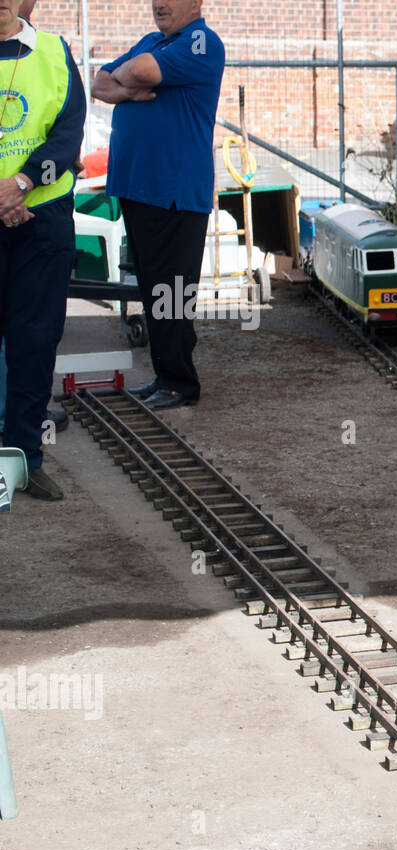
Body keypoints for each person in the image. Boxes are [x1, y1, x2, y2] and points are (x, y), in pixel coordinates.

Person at [92, 0, 224, 410]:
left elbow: (145, 70)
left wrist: (126, 83)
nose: (159, 4)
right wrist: (128, 88)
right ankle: (164, 376)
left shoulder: (201, 41)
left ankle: (181, 384)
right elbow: (98, 84)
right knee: (154, 288)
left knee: (173, 291)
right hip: (140, 188)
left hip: (175, 191)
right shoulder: (153, 41)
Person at [0, 0, 86, 500]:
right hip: (14, 206)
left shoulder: (54, 52)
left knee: (35, 344)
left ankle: (23, 463)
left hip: (42, 220)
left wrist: (24, 182)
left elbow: (68, 137)